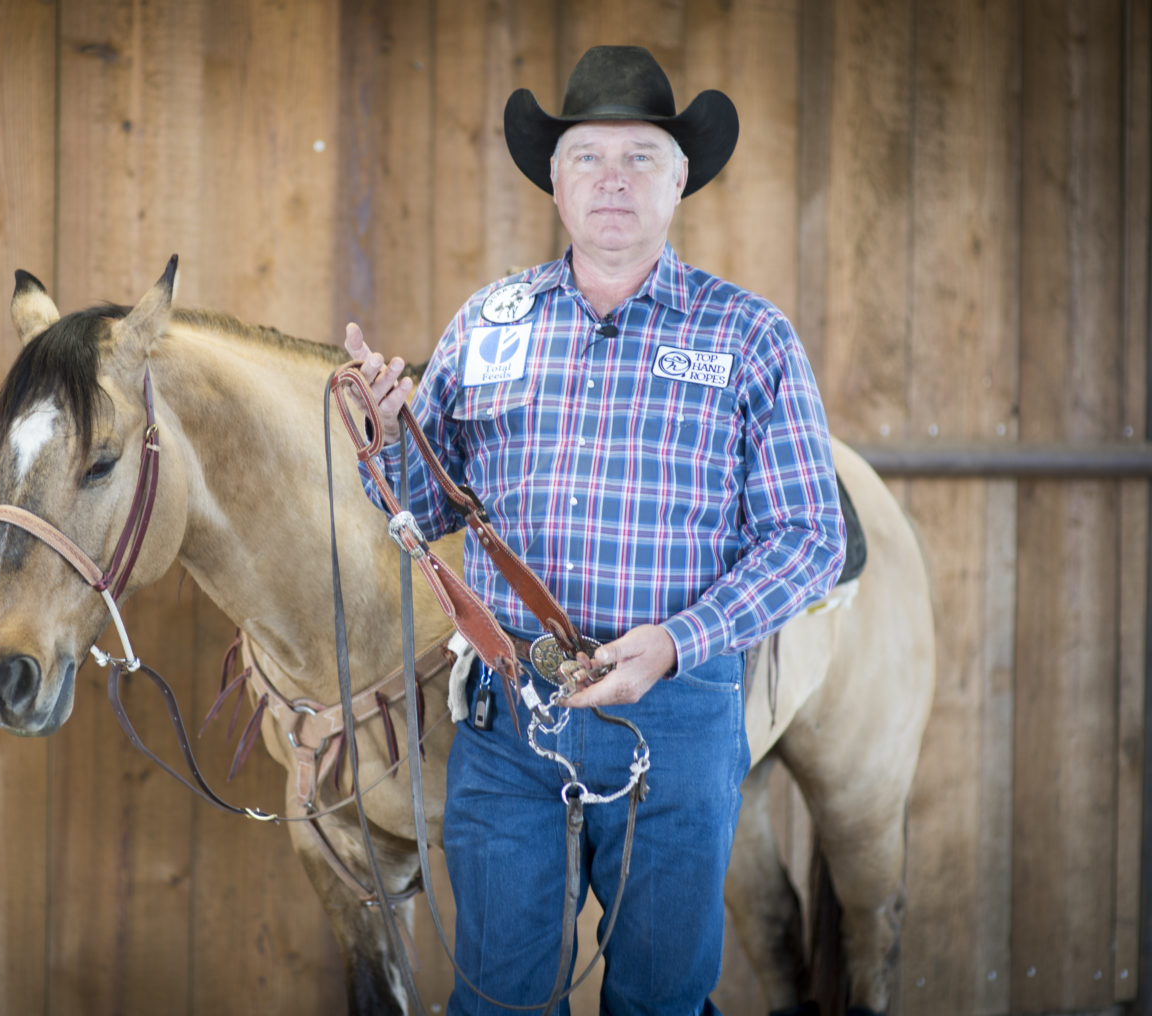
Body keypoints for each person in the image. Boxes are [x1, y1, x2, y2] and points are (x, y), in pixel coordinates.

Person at [344, 45, 845, 1016]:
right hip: (505, 710)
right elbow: (427, 505)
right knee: (496, 998)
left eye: (640, 157)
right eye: (587, 157)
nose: (613, 178)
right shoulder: (487, 323)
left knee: (660, 998)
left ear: (680, 178)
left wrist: (675, 641)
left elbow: (807, 535)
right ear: (556, 182)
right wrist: (382, 437)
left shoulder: (750, 336)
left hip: (674, 706)